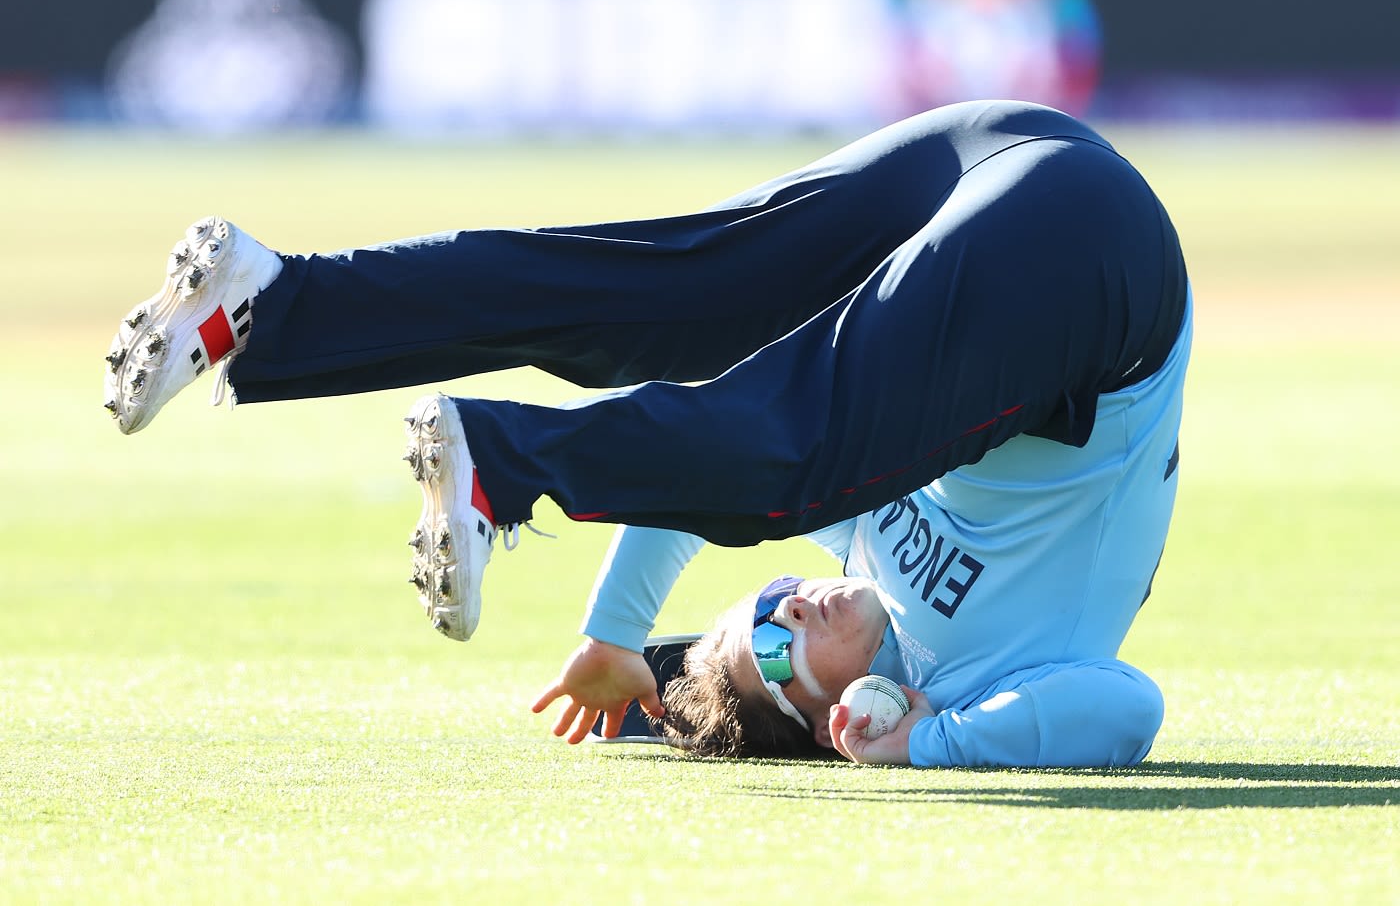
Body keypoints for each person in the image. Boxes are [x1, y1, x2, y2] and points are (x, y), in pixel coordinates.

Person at [103, 99, 1190, 768]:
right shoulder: (976, 685)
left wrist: (616, 635)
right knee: (779, 449)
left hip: (1001, 176)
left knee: (667, 315)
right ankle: (432, 418)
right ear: (840, 717)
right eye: (778, 641)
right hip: (1099, 272)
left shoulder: (865, 543)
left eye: (762, 620)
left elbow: (687, 519)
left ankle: (283, 309)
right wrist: (926, 745)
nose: (787, 604)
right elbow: (1124, 707)